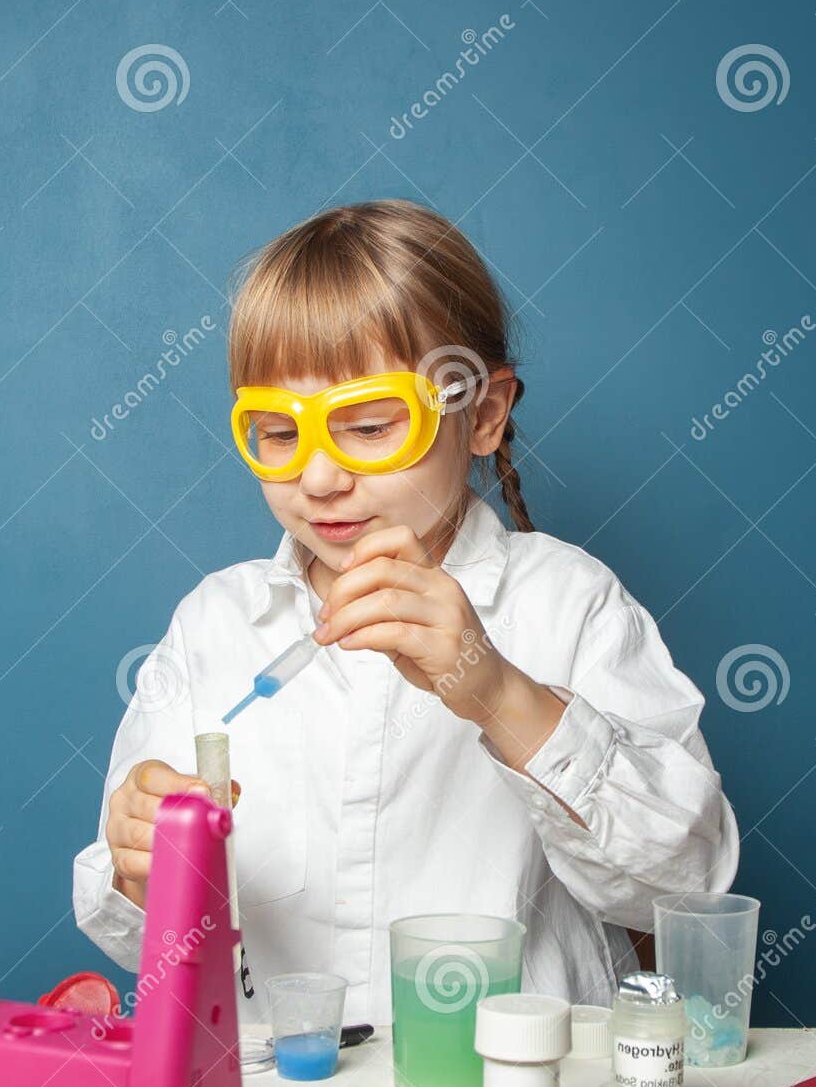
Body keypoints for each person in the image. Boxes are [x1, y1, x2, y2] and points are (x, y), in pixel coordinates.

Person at [73, 199, 738, 1024]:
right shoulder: (216, 625)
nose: (319, 478)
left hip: (514, 1086)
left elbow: (687, 884)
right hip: (284, 1086)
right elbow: (132, 931)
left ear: (483, 415)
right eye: (278, 432)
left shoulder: (568, 604)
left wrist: (499, 693)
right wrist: (142, 867)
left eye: (367, 426)